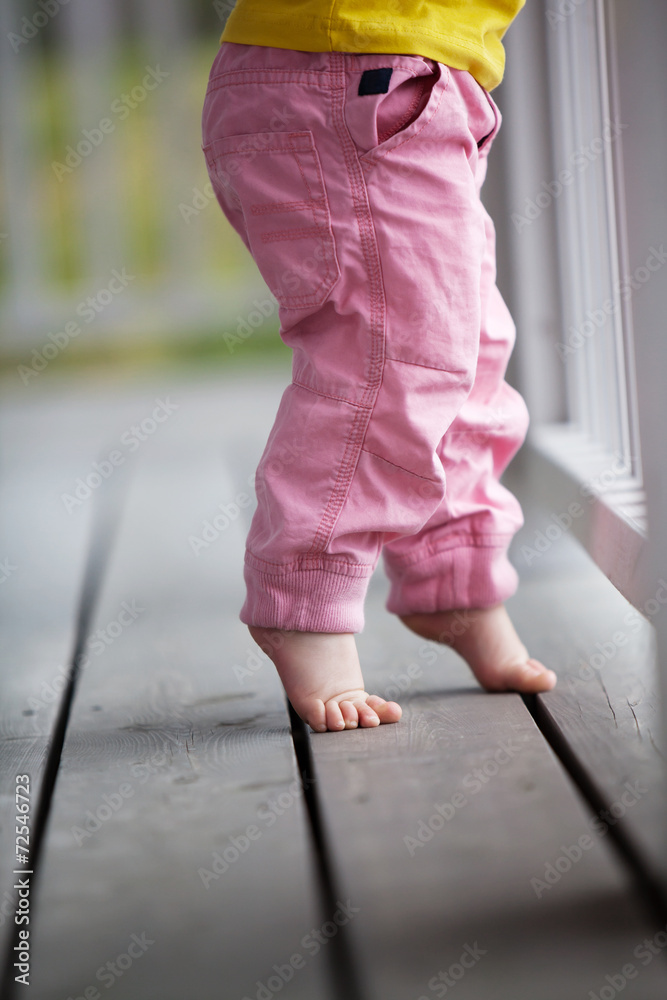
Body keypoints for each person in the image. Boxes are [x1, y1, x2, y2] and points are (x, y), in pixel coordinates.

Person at [201, 0, 557, 733]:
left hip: (404, 75)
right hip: (355, 72)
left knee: (461, 351)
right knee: (390, 358)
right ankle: (305, 599)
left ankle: (454, 579)